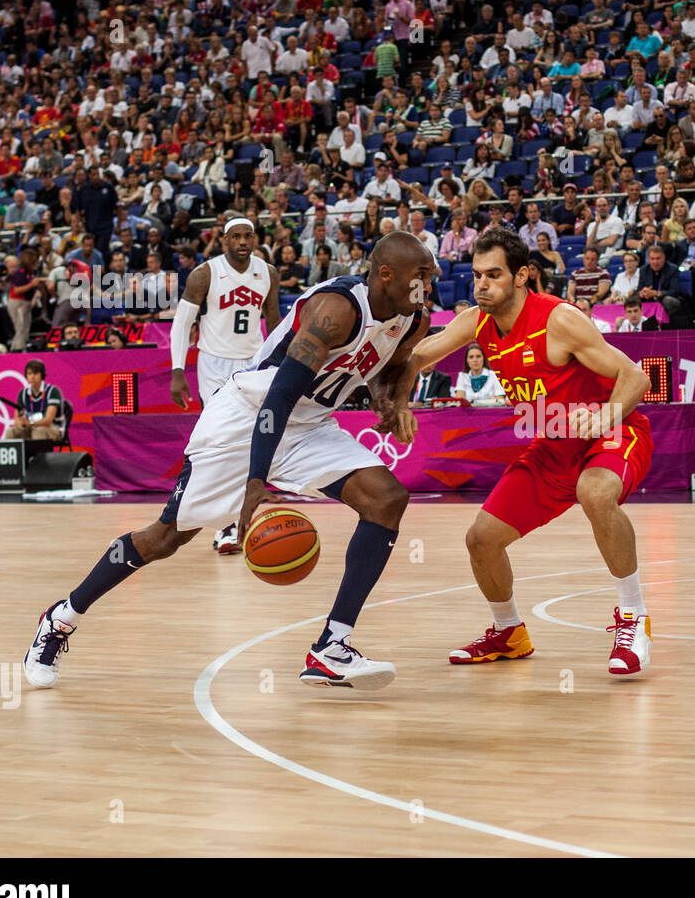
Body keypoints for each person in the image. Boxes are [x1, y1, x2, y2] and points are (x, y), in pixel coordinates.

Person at [23, 232, 437, 692]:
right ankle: (61, 617)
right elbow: (278, 398)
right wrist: (257, 481)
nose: (428, 284)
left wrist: (390, 401)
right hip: (247, 415)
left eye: (431, 275)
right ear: (386, 274)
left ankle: (331, 648)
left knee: (386, 499)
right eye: (421, 275)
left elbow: (388, 367)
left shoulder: (414, 318)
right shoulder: (335, 310)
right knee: (166, 538)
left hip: (309, 423)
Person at [393, 229, 656, 675]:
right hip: (552, 446)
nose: (482, 284)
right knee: (481, 539)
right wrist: (399, 401)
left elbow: (636, 376)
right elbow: (417, 357)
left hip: (612, 432)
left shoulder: (559, 320)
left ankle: (634, 616)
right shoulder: (476, 321)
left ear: (522, 276)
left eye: (493, 275)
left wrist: (605, 416)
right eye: (477, 275)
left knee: (594, 492)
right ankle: (509, 632)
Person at [168, 215, 281, 555]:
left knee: (251, 441)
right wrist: (177, 371)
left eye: (248, 236)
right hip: (214, 364)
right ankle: (225, 526)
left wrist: (280, 360)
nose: (243, 242)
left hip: (253, 362)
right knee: (221, 440)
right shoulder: (205, 273)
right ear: (224, 240)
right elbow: (181, 323)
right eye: (236, 236)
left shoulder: (268, 272)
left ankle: (237, 517)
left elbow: (274, 321)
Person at [5, 359, 66, 443]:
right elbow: (17, 418)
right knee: (11, 432)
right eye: (29, 374)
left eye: (35, 373)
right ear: (26, 376)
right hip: (31, 427)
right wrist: (22, 424)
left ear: (42, 375)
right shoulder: (23, 393)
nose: (32, 377)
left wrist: (30, 423)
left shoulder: (52, 391)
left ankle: (39, 452)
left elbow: (48, 421)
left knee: (38, 431)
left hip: (54, 428)